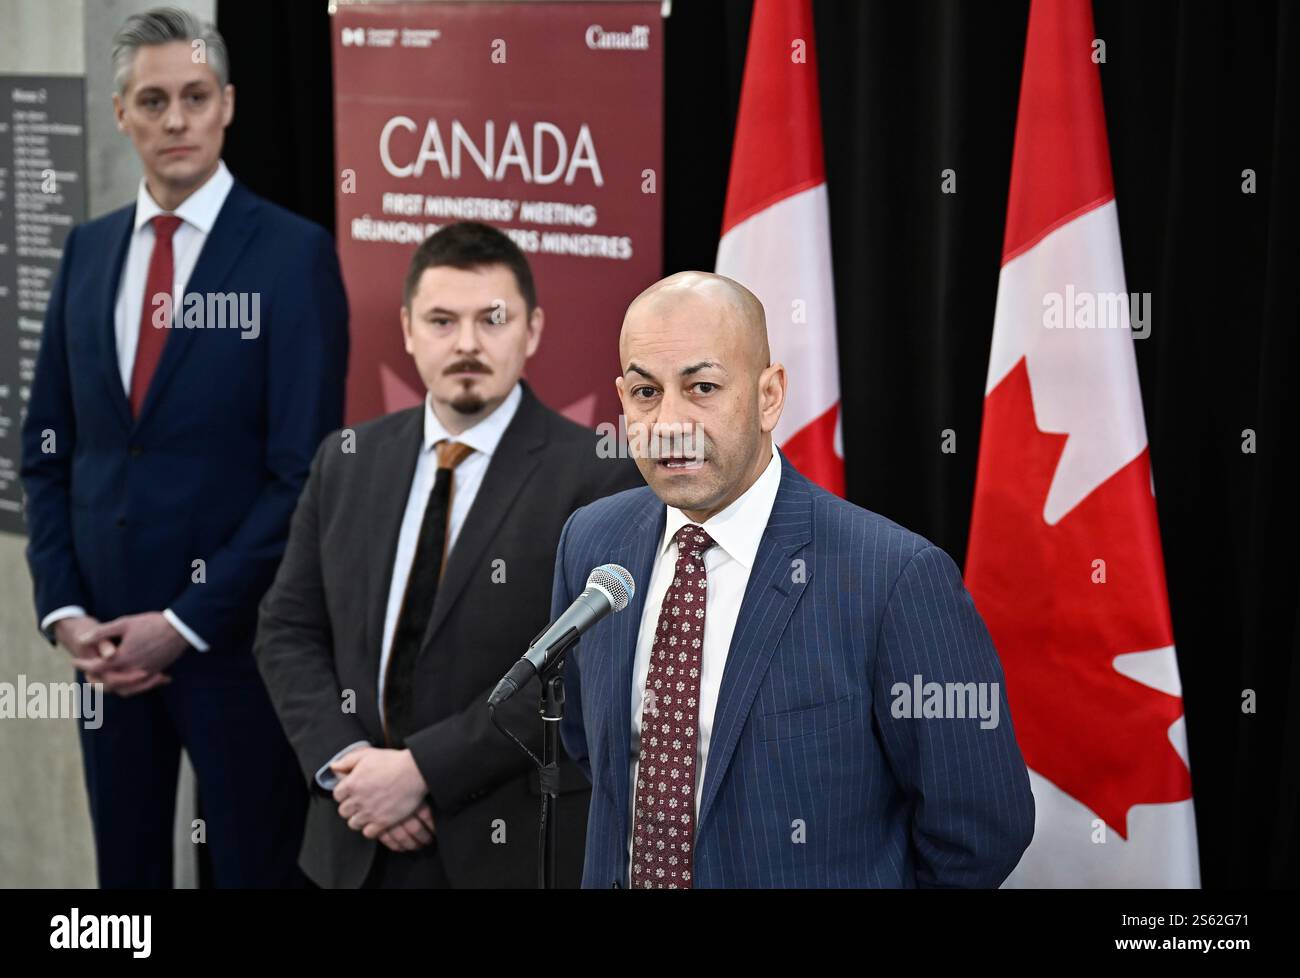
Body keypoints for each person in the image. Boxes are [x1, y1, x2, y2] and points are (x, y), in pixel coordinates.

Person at [553, 271, 1035, 887]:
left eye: (701, 387)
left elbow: (981, 828)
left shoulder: (893, 578)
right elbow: (591, 748)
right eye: (646, 393)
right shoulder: (592, 542)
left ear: (770, 396)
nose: (669, 421)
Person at [20, 7, 349, 887]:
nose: (176, 120)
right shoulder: (87, 254)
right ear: (122, 112)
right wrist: (67, 613)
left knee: (250, 870)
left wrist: (183, 624)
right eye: (155, 100)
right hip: (104, 654)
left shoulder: (293, 257)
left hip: (234, 651)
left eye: (195, 97)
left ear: (229, 104)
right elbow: (47, 453)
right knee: (123, 883)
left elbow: (302, 477)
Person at [254, 221, 643, 888]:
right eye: (441, 320)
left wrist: (420, 773)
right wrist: (350, 765)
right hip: (354, 841)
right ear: (407, 329)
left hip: (509, 849)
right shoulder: (346, 460)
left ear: (533, 329)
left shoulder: (602, 476)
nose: (467, 343)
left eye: (492, 319)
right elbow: (286, 630)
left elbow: (585, 672)